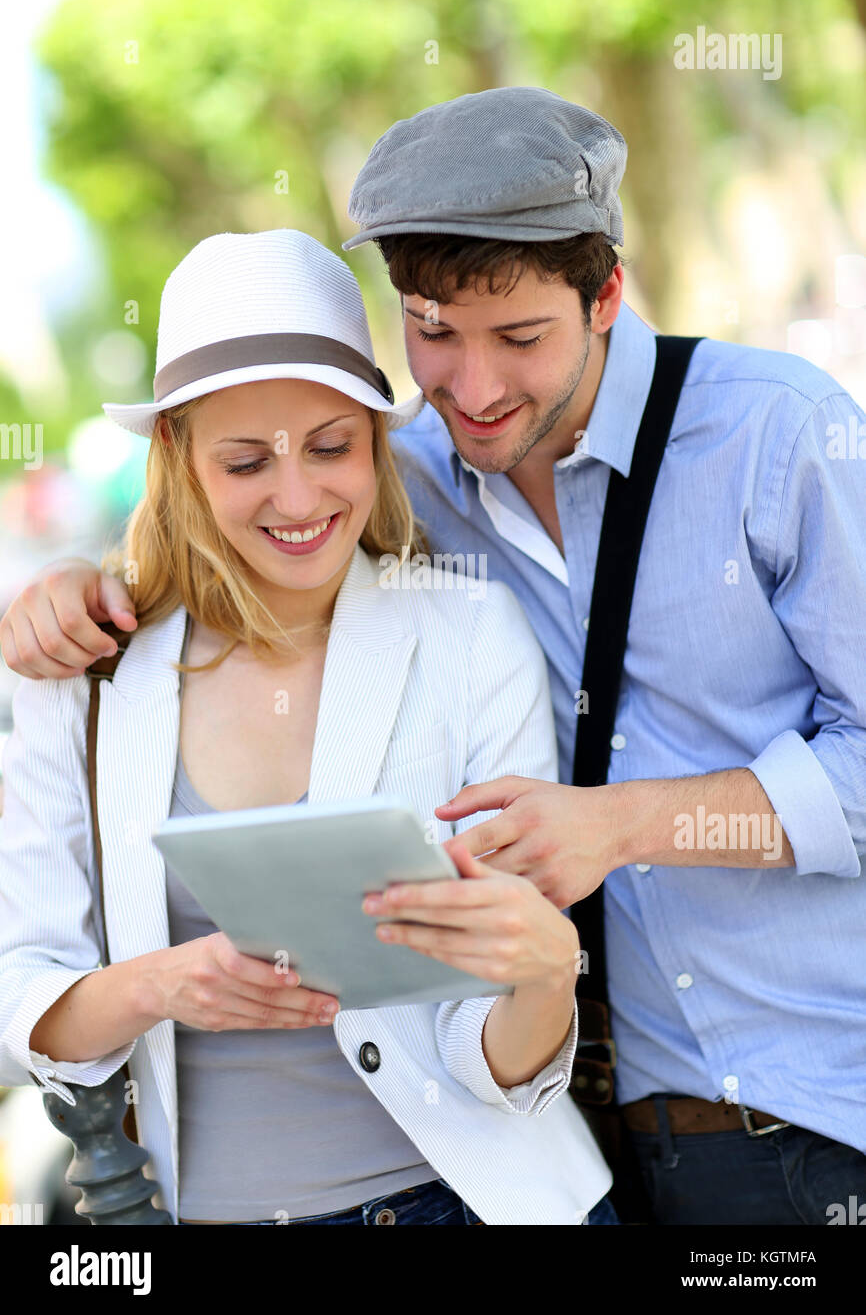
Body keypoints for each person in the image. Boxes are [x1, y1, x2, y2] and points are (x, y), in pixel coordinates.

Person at [9, 89, 866, 1227]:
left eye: (518, 338)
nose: (469, 388)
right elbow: (238, 502)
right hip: (618, 1133)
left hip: (817, 1102)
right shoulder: (401, 474)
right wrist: (74, 593)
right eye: (430, 333)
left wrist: (623, 823)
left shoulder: (781, 435)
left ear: (606, 293)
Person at [0, 227, 618, 1227]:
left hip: (460, 1205)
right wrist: (163, 983)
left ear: (375, 438)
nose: (298, 497)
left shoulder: (464, 633)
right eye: (246, 461)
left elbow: (492, 1051)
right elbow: (21, 998)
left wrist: (546, 974)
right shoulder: (86, 670)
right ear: (177, 455)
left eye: (331, 447)